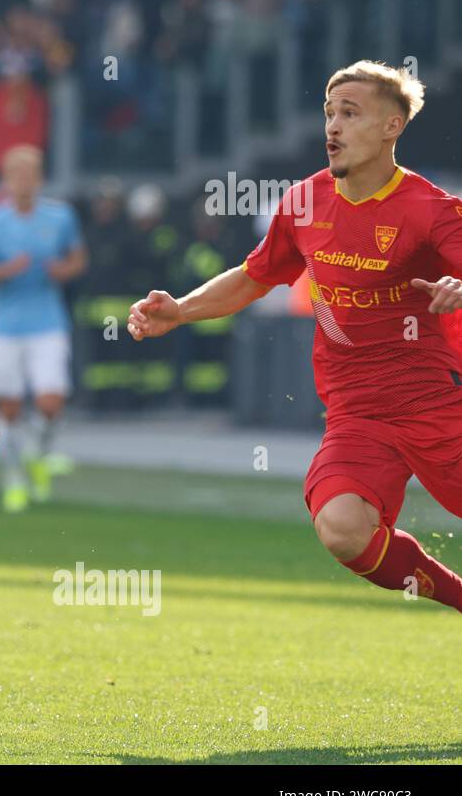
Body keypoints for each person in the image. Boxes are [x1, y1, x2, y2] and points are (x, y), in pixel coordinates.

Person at [128, 61, 462, 613]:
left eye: (349, 113)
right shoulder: (304, 202)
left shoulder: (430, 208)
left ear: (391, 126)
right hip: (356, 412)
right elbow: (255, 276)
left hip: (435, 400)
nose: (331, 126)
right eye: (329, 112)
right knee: (341, 528)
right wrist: (181, 309)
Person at [0, 145, 87, 511]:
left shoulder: (60, 217)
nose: (24, 182)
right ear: (6, 180)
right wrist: (5, 270)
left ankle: (37, 454)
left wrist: (63, 270)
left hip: (48, 321)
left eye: (30, 175)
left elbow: (78, 259)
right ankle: (14, 480)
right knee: (10, 408)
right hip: (6, 327)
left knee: (50, 401)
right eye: (17, 175)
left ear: (39, 179)